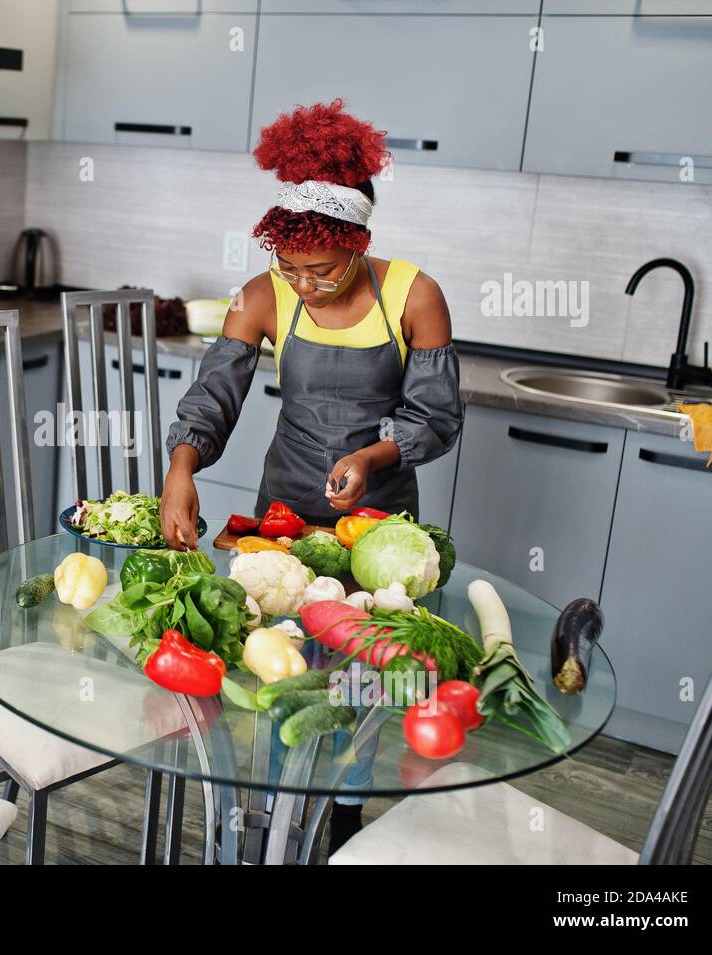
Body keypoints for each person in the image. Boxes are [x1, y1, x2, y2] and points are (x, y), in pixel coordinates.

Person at [161, 100, 464, 852]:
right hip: (284, 517)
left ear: (360, 244)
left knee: (358, 683)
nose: (304, 285)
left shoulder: (413, 295)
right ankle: (269, 809)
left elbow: (436, 418)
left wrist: (369, 458)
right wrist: (180, 467)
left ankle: (344, 817)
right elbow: (215, 396)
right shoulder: (263, 294)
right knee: (281, 667)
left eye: (321, 269)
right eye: (290, 268)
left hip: (378, 526)